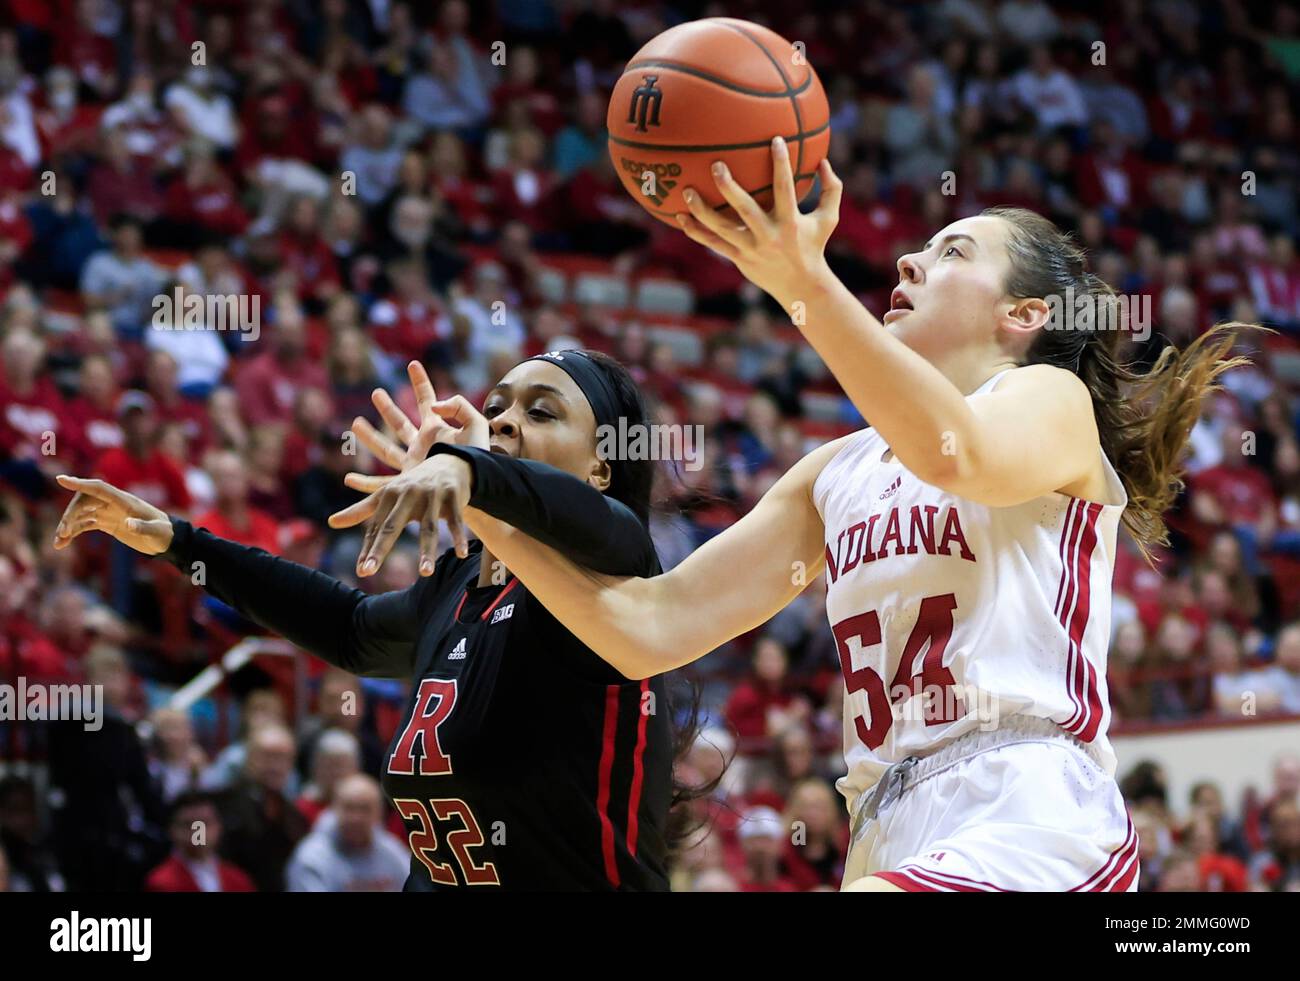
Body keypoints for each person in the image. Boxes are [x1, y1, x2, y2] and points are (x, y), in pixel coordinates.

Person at [372, 142, 1245, 891]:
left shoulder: (1048, 400)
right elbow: (647, 625)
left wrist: (805, 284)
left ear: (1024, 313)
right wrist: (480, 494)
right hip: (883, 820)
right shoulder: (837, 470)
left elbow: (957, 453)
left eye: (950, 252)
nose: (907, 263)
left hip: (1028, 807)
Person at [52, 356, 677, 891]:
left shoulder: (616, 575)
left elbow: (599, 524)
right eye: (497, 406)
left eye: (541, 412)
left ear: (600, 469)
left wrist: (471, 471)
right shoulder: (457, 589)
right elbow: (348, 626)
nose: (505, 420)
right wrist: (178, 541)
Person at [285, 774, 409, 892]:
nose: (356, 818)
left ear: (379, 813)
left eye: (365, 809)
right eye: (349, 808)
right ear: (333, 810)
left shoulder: (392, 852)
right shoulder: (312, 856)